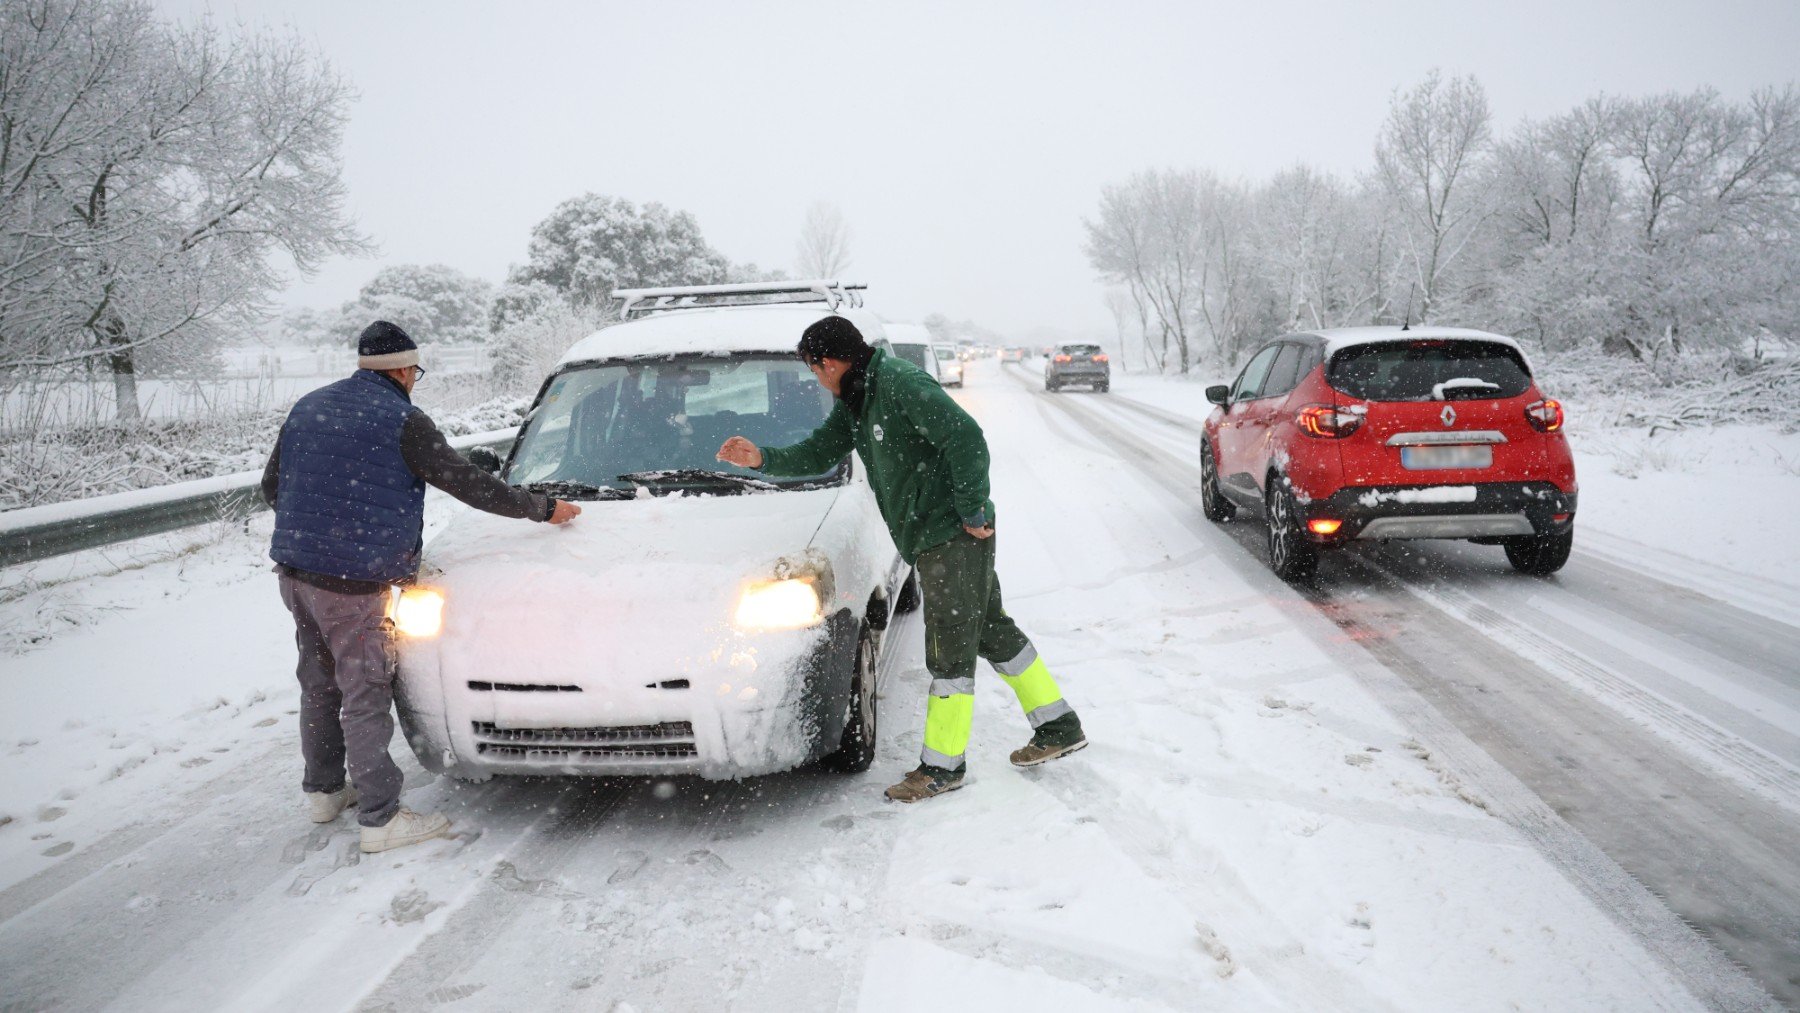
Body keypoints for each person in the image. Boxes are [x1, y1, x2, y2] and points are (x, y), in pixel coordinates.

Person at [717, 316, 1086, 803]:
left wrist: (972, 508)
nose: (816, 379)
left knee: (949, 653)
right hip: (933, 535)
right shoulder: (858, 397)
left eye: (813, 370)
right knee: (991, 629)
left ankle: (942, 767)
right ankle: (1058, 726)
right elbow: (821, 450)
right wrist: (762, 459)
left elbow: (966, 436)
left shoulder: (898, 383)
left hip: (951, 533)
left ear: (828, 363)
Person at [260, 321, 581, 852]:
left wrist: (319, 532)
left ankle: (322, 791)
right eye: (417, 371)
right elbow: (468, 484)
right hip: (353, 581)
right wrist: (543, 509)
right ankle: (381, 819)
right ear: (406, 370)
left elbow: (273, 486)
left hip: (295, 573)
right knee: (364, 691)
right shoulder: (403, 419)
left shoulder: (309, 406)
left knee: (319, 682)